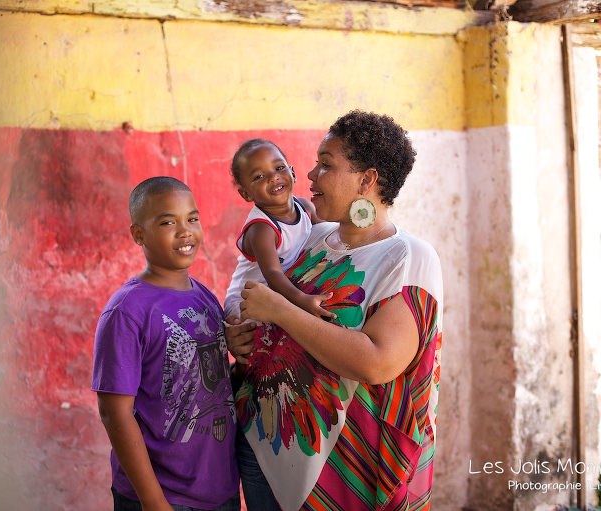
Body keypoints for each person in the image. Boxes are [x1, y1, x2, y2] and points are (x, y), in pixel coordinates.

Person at [227, 111, 443, 511]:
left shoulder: (405, 257)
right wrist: (239, 336)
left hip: (341, 474)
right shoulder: (314, 235)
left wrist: (281, 312)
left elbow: (377, 363)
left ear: (367, 179)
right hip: (262, 451)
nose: (309, 175)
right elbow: (257, 300)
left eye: (326, 165)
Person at [91, 177, 240, 511]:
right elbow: (114, 413)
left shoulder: (205, 298)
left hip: (220, 491)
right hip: (163, 496)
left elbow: (211, 384)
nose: (185, 231)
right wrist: (153, 501)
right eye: (168, 222)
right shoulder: (127, 310)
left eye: (192, 218)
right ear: (138, 235)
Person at [223, 138, 335, 321]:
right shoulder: (262, 229)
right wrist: (302, 299)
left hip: (279, 292)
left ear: (292, 172)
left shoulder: (306, 207)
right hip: (245, 298)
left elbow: (329, 234)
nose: (273, 177)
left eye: (279, 168)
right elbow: (273, 274)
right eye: (259, 177)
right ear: (246, 194)